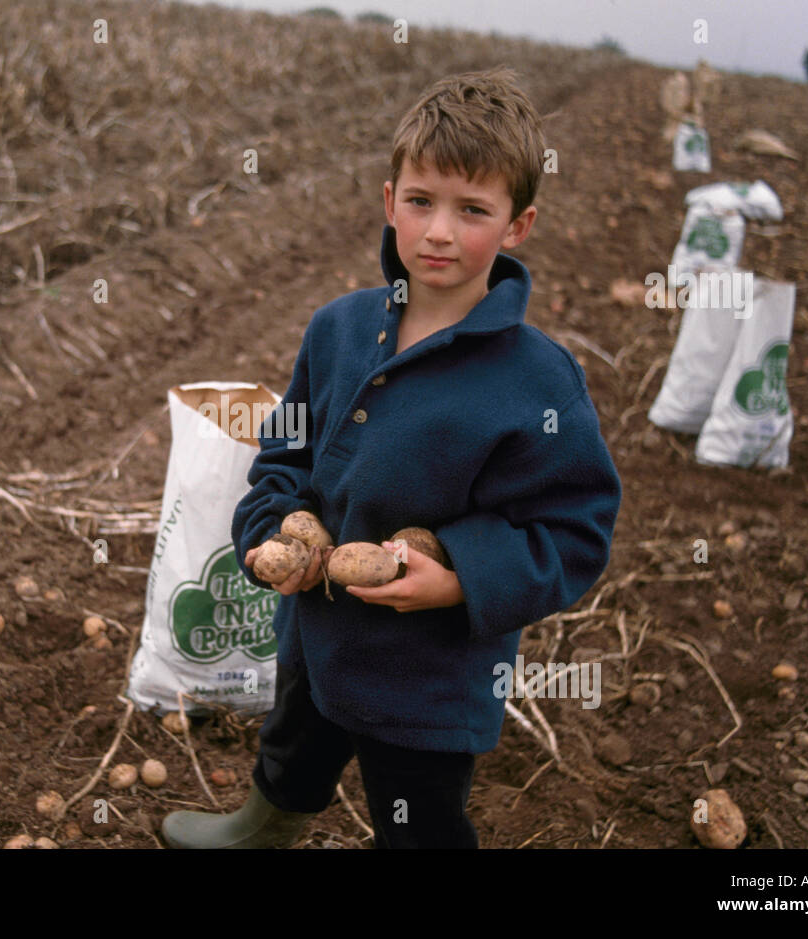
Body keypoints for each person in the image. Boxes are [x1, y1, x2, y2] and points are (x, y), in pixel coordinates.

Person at [161, 67, 622, 849]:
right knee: (295, 739)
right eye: (421, 201)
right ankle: (262, 828)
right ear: (389, 202)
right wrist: (273, 534)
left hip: (433, 673)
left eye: (472, 210)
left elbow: (574, 530)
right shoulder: (335, 330)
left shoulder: (538, 381)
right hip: (314, 629)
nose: (439, 231)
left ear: (519, 224)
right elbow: (283, 455)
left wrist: (459, 577)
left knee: (419, 813)